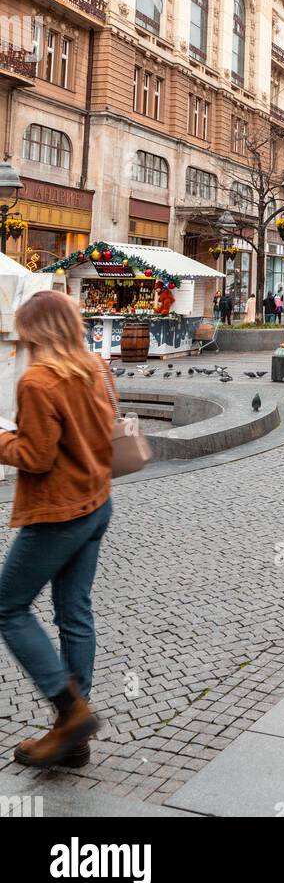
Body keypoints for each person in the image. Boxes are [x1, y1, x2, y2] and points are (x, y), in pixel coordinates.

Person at [0, 291, 115, 769]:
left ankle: (70, 712)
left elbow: (37, 457)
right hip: (97, 501)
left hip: (57, 511)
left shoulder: (39, 380)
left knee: (7, 608)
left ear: (34, 332)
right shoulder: (95, 368)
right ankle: (75, 735)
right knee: (74, 613)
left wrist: (3, 438)